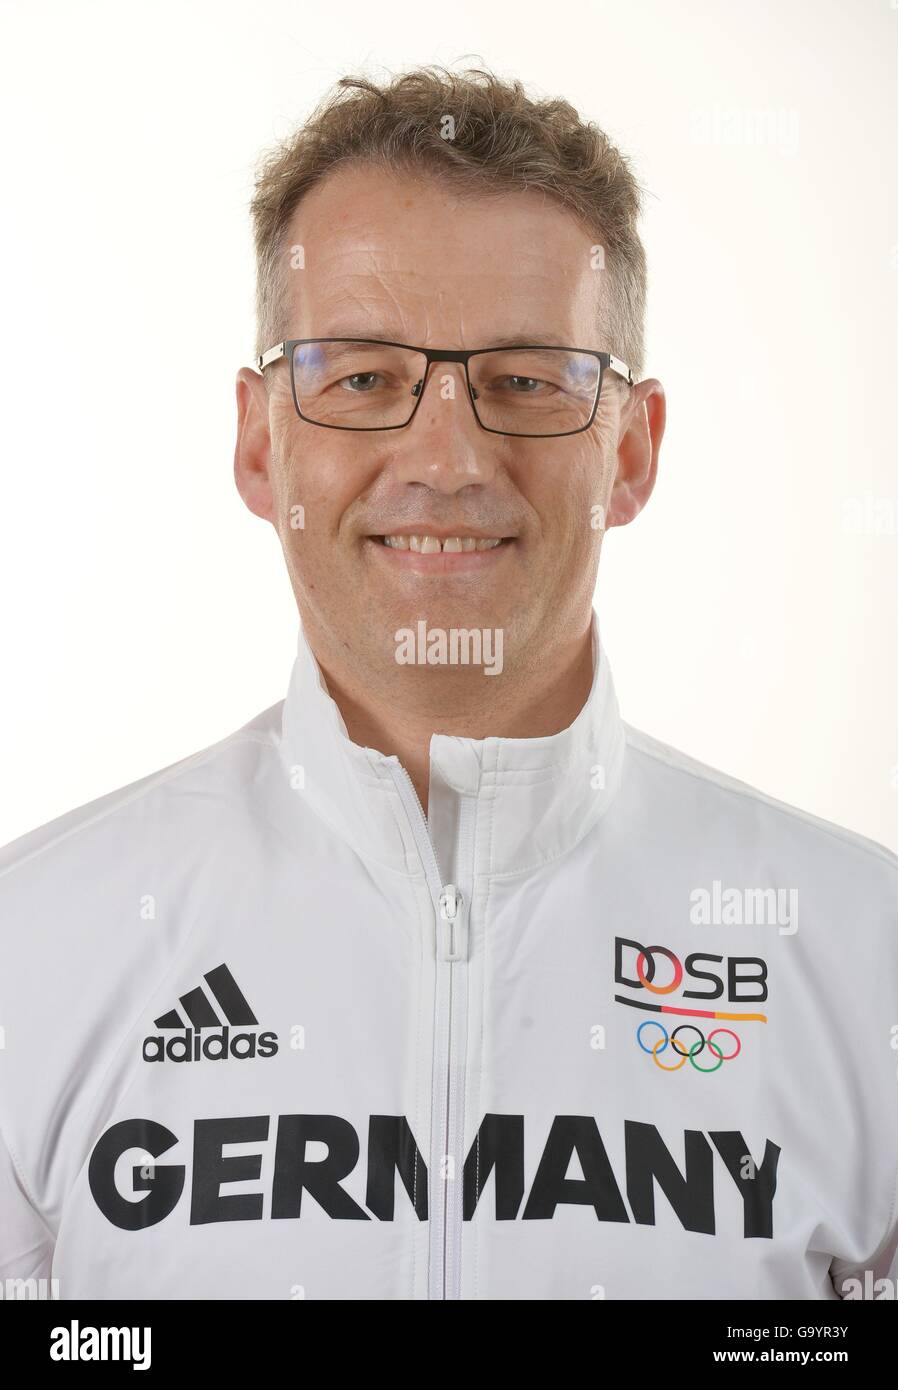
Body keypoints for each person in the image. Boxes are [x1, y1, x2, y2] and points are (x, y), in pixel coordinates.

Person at [1, 66, 896, 1302]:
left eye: (526, 380)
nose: (447, 455)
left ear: (629, 452)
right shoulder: (30, 951)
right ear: (262, 443)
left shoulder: (864, 958)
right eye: (363, 376)